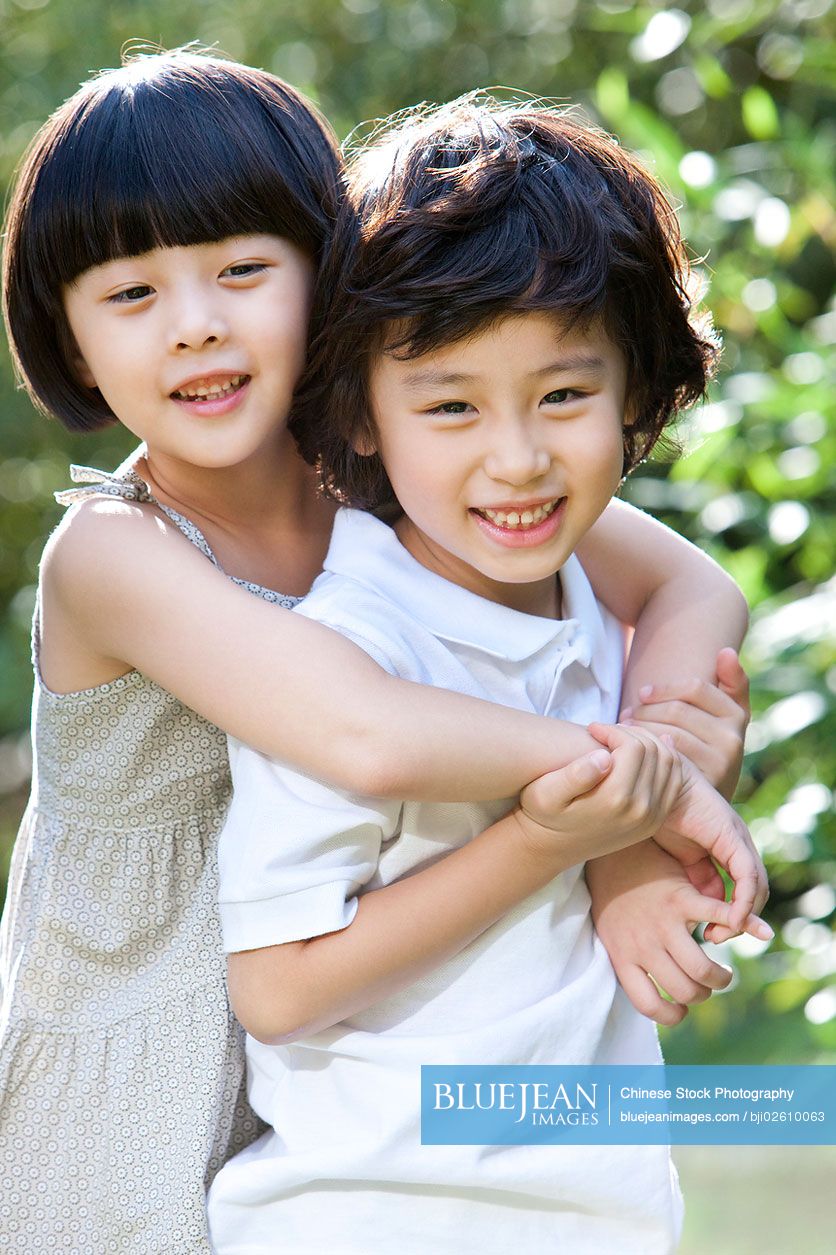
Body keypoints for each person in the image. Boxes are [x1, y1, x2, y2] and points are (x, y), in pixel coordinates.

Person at [0, 50, 762, 1252]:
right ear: (72, 345)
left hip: (335, 1044)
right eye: (131, 294)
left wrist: (646, 778)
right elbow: (364, 733)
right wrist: (634, 789)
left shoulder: (401, 470)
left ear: (331, 275)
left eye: (243, 271)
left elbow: (689, 586)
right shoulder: (110, 552)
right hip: (137, 1046)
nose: (196, 325)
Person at [207, 95, 769, 1254]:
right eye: (451, 406)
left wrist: (639, 815)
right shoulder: (350, 654)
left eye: (561, 395)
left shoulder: (580, 582)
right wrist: (562, 833)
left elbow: (701, 591)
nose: (516, 458)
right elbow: (275, 987)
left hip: (593, 1213)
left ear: (631, 389)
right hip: (376, 1219)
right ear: (362, 414)